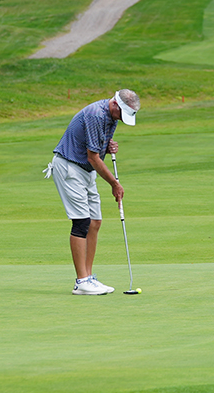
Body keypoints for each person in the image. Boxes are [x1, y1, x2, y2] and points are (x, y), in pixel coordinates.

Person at [45, 89, 141, 294]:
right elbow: (92, 157)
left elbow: (94, 147)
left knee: (95, 221)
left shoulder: (112, 117)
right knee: (81, 222)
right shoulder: (95, 114)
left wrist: (107, 146)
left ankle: (88, 277)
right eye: (121, 114)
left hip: (86, 171)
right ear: (115, 104)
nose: (121, 120)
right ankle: (81, 281)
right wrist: (114, 184)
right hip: (69, 167)